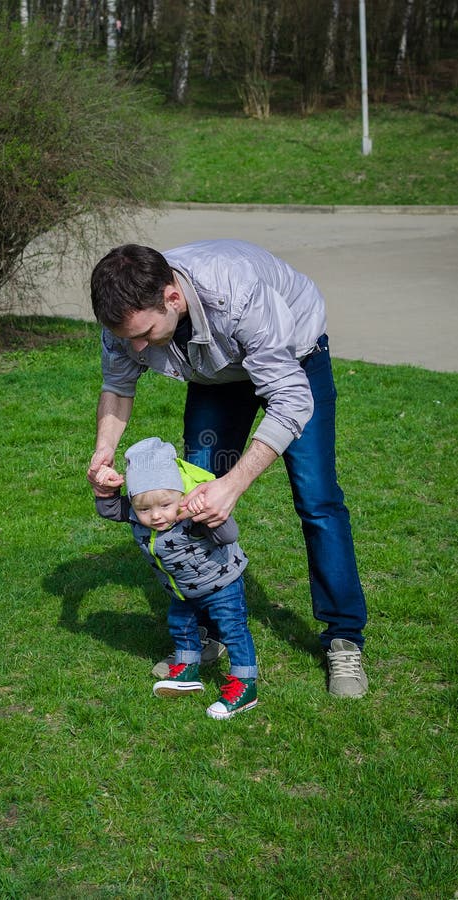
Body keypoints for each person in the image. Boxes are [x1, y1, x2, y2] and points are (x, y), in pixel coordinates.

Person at [87, 240, 368, 699]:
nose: (134, 346)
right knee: (190, 501)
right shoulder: (126, 320)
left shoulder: (238, 293)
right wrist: (104, 450)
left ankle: (344, 638)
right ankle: (209, 632)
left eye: (144, 333)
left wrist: (232, 484)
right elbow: (117, 384)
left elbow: (291, 401)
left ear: (172, 298)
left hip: (293, 359)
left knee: (317, 499)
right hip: (216, 374)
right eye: (126, 337)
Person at [95, 436, 258, 720]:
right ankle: (187, 671)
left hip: (222, 584)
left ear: (180, 494)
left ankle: (244, 685)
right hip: (182, 590)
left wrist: (206, 516)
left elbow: (229, 535)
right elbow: (108, 509)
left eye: (164, 505)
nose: (156, 516)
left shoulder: (191, 514)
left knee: (233, 631)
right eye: (144, 509)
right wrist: (106, 489)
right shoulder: (137, 513)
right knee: (181, 626)